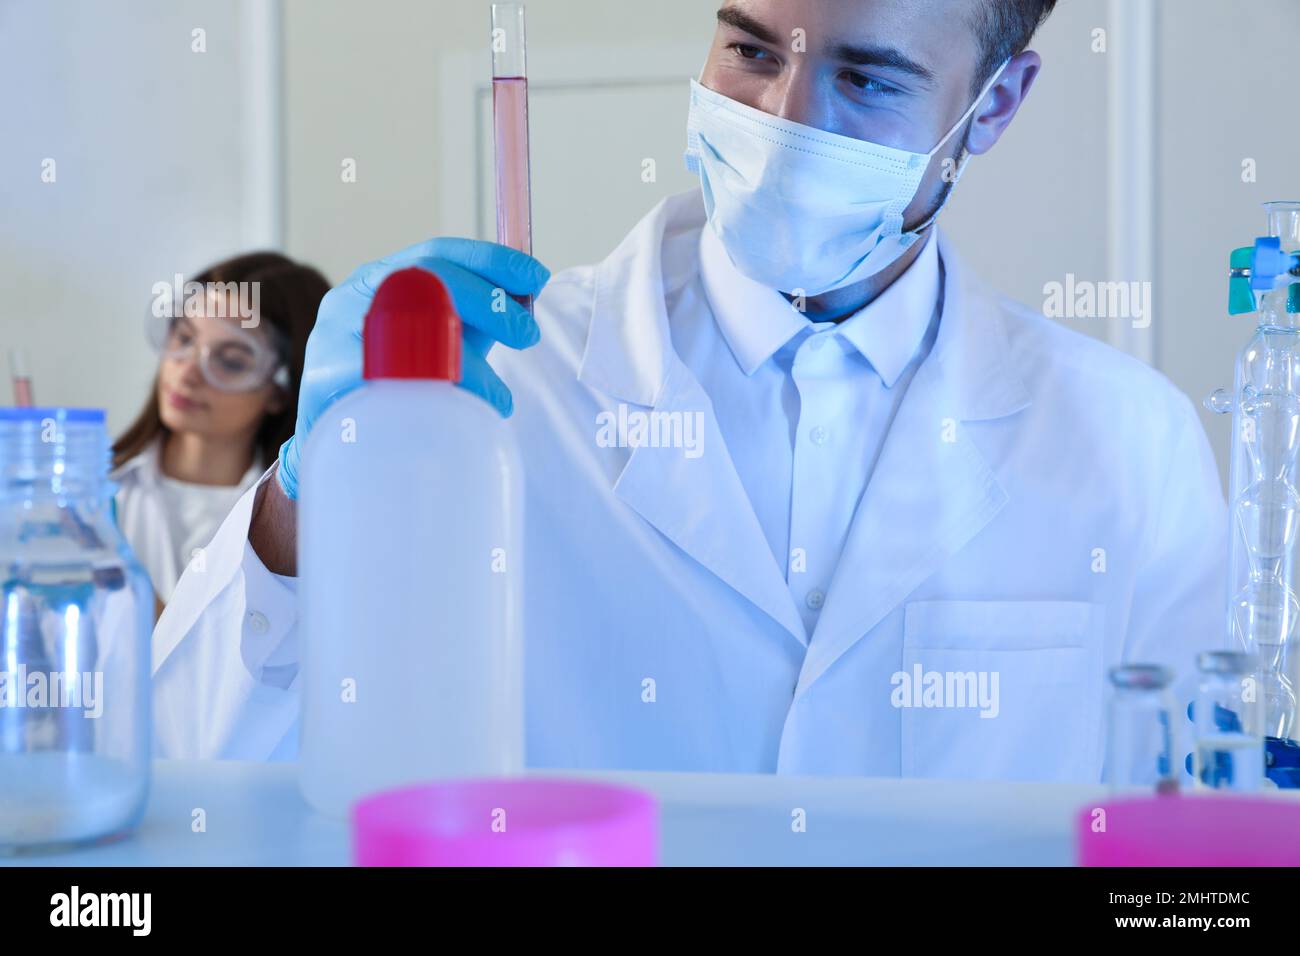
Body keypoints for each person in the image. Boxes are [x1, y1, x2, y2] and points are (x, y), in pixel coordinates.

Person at [153, 0, 1229, 780]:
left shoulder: (1128, 443)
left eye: (867, 78)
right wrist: (309, 494)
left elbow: (1189, 846)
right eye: (751, 50)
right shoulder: (496, 389)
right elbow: (194, 760)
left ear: (991, 106)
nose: (782, 122)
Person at [112, 252, 328, 612]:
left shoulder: (302, 530)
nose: (188, 373)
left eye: (230, 361)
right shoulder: (93, 498)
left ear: (280, 390)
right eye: (183, 339)